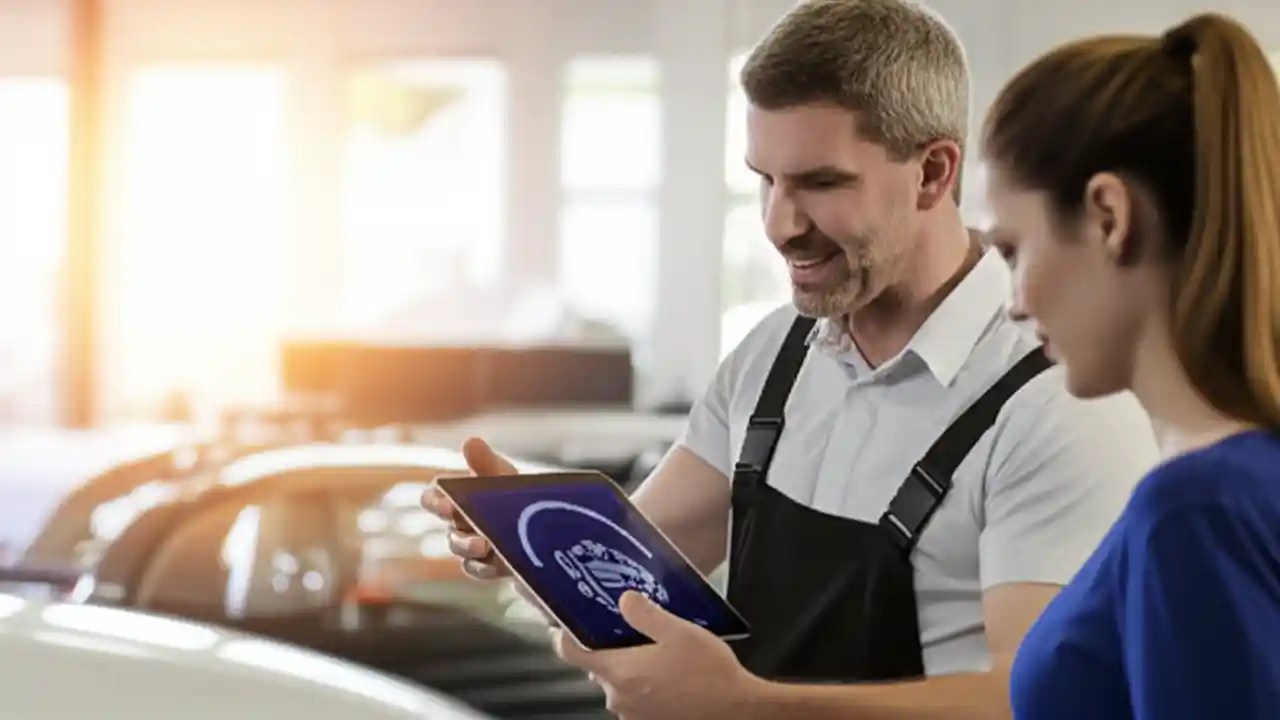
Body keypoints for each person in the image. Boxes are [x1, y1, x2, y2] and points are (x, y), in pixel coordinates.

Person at [423, 1, 1160, 717]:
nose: (779, 225)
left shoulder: (1058, 401)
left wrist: (748, 707)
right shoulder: (774, 352)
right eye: (766, 179)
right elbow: (633, 585)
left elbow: (1037, 700)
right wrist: (531, 539)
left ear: (934, 173)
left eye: (821, 183)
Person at [981, 12, 1280, 720]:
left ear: (1108, 217)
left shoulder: (1196, 509)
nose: (1014, 304)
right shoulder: (1241, 485)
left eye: (1013, 251)